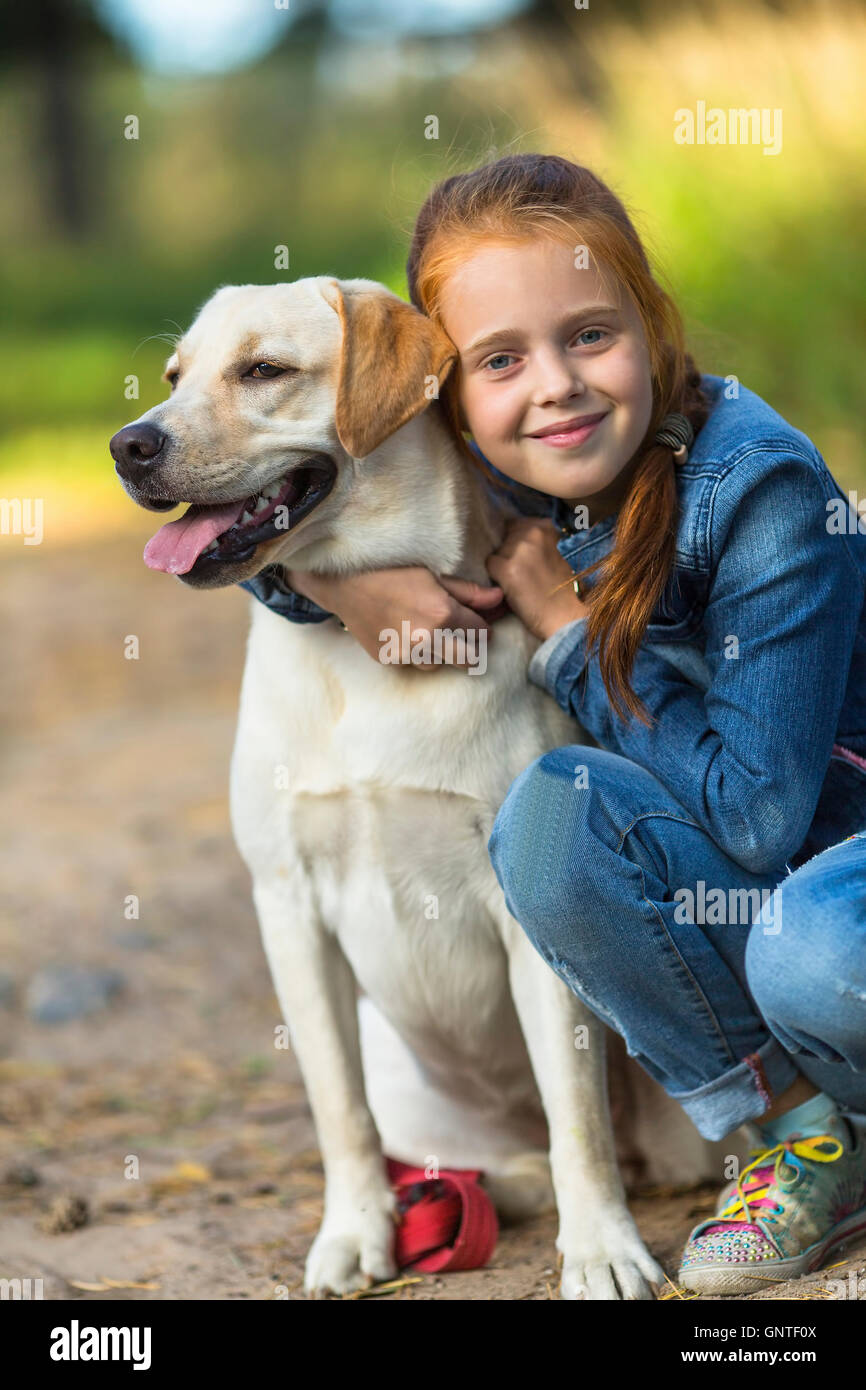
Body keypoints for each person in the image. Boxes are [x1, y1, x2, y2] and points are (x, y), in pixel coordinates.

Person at [240, 153, 866, 1296]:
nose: (554, 387)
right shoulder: (516, 465)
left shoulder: (759, 489)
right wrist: (331, 590)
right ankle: (809, 1137)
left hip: (830, 860)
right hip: (732, 889)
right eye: (499, 360)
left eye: (589, 335)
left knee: (813, 955)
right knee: (547, 819)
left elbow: (756, 817)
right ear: (445, 400)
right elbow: (296, 507)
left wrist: (568, 632)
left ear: (652, 322)